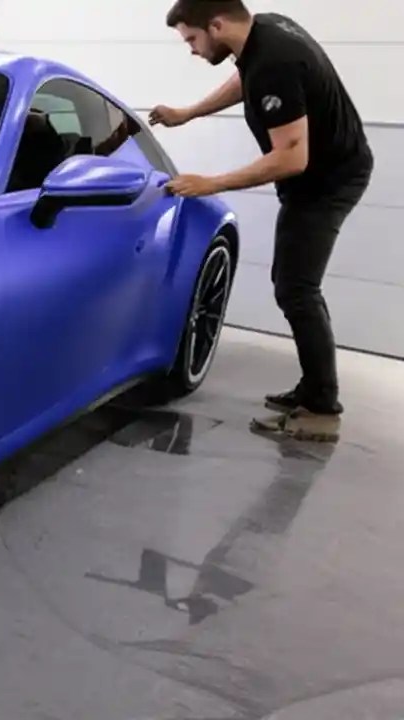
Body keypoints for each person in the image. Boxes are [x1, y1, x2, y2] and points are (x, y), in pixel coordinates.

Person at [150, 0, 373, 442]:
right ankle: (314, 388)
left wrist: (210, 183)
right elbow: (244, 82)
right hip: (324, 173)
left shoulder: (275, 60)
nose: (192, 50)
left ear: (216, 25)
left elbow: (292, 157)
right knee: (292, 283)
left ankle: (321, 410)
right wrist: (188, 113)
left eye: (192, 39)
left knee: (296, 288)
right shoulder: (263, 32)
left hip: (328, 181)